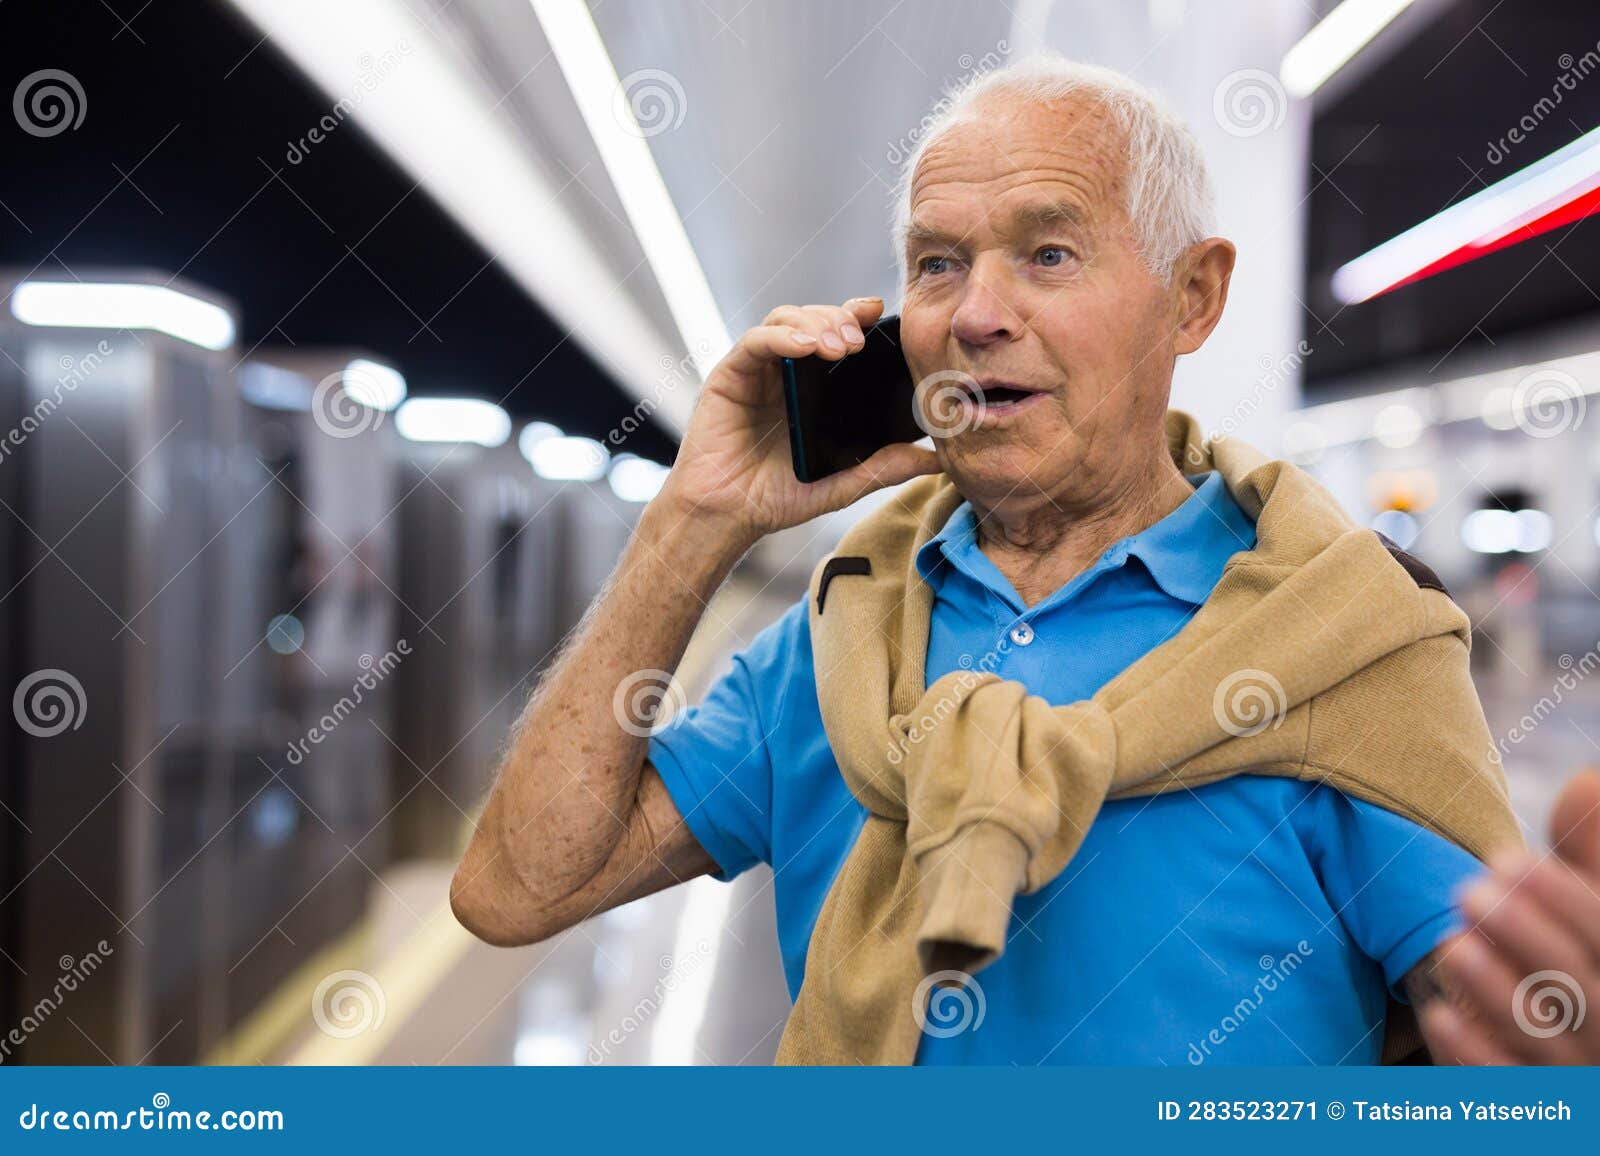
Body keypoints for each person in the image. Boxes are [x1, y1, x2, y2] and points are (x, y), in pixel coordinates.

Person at [451, 56, 1600, 1065]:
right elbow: (516, 889)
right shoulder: (840, 637)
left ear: (1192, 296)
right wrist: (692, 520)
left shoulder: (1345, 644)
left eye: (1048, 253)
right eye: (936, 264)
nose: (976, 312)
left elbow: (1509, 1048)